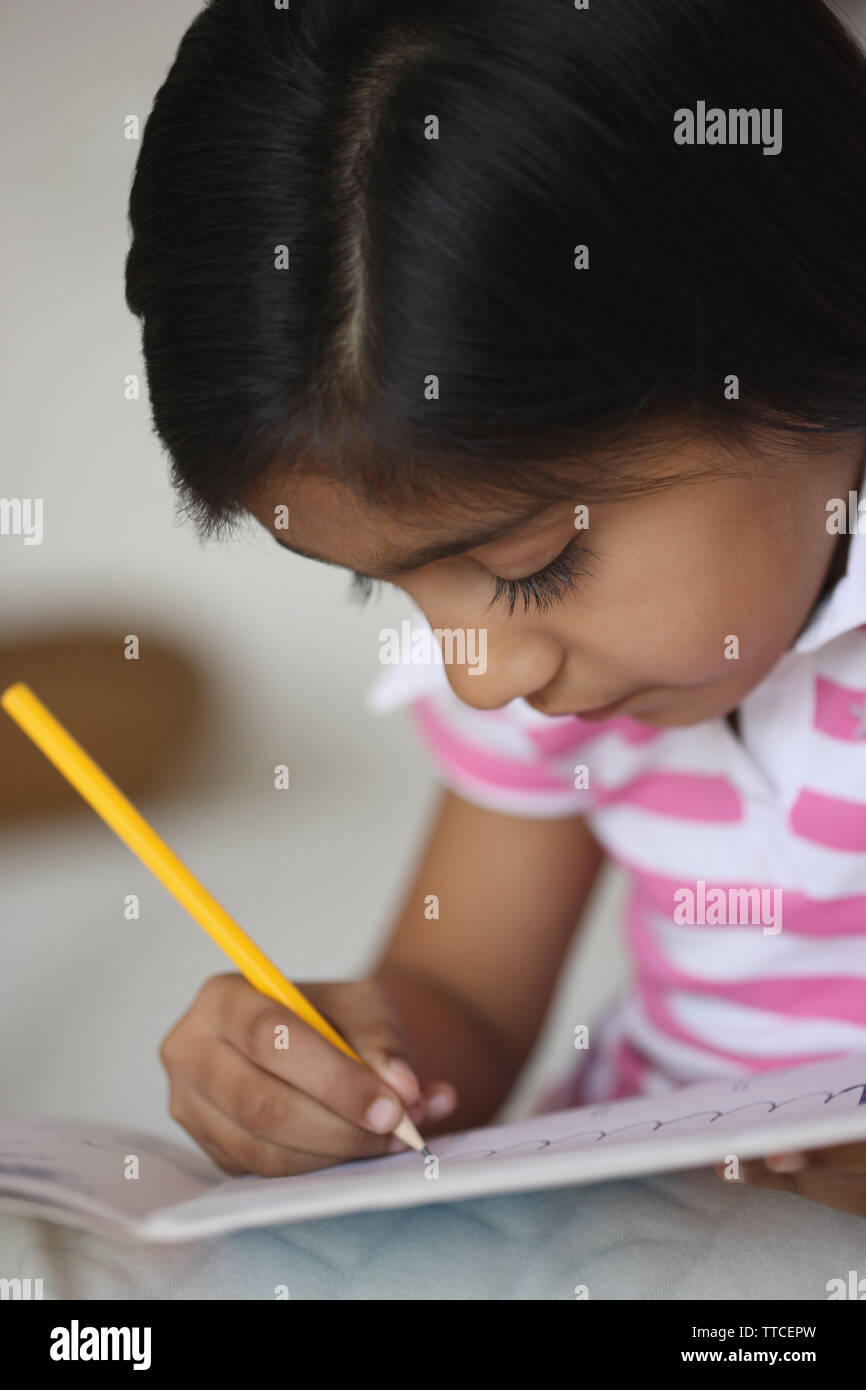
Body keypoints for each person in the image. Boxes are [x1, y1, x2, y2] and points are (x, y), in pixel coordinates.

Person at [125, 0, 866, 1216]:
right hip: (632, 1228)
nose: (479, 674)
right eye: (390, 585)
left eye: (533, 564)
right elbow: (458, 1001)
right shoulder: (565, 679)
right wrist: (336, 1075)